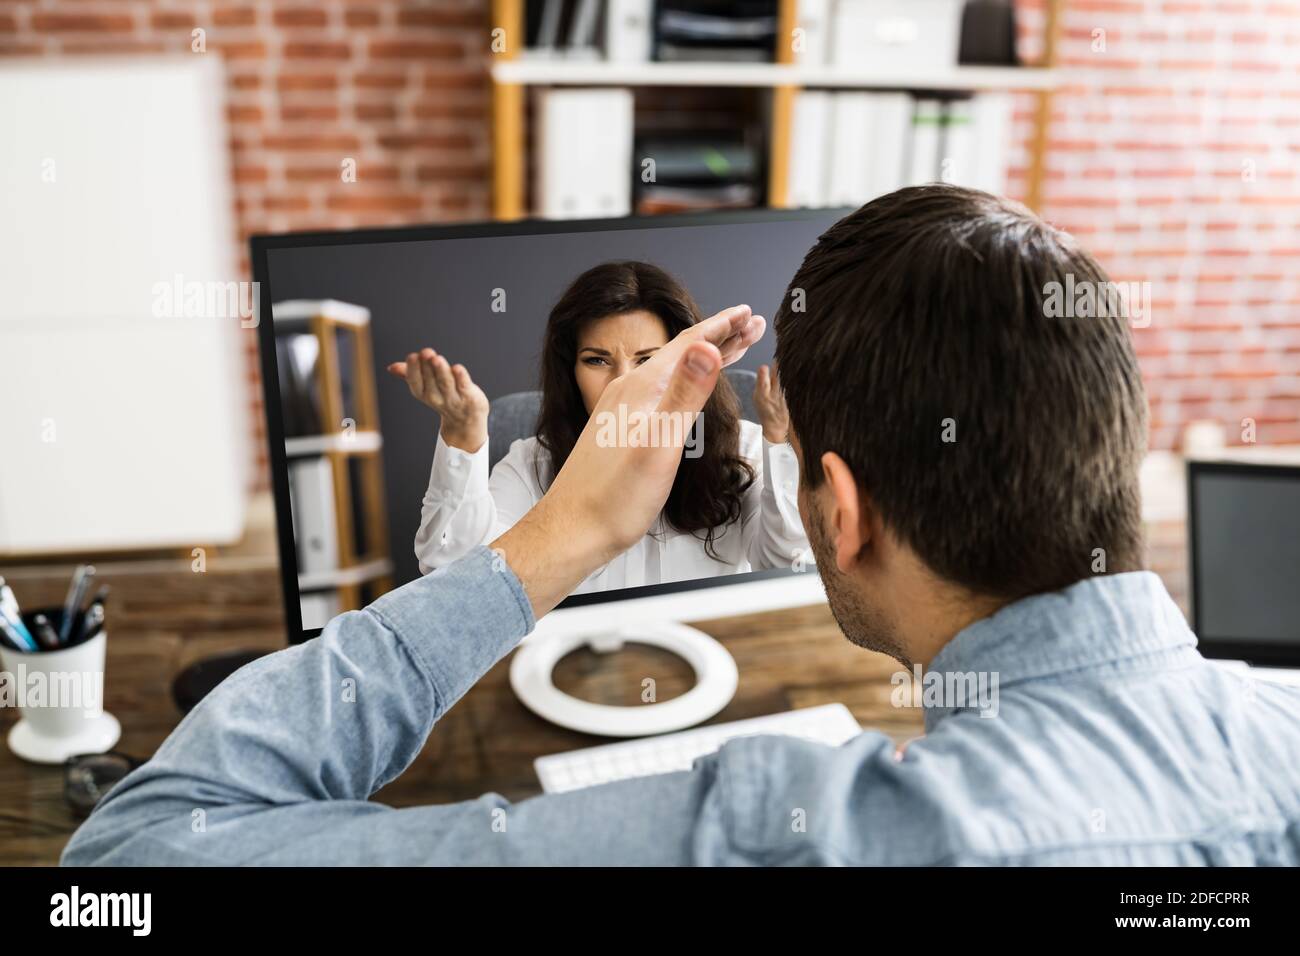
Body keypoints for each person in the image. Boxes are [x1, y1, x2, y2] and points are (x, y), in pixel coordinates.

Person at [62, 186, 1300, 866]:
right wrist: (537, 498)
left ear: (841, 506)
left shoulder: (770, 829)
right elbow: (451, 547)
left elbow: (135, 857)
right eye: (596, 362)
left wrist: (563, 540)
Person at [390, 260, 807, 591]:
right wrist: (463, 435)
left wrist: (782, 442)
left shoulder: (743, 449)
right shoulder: (531, 464)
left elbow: (787, 564)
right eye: (597, 360)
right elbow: (453, 581)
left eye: (648, 360)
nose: (624, 382)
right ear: (569, 370)